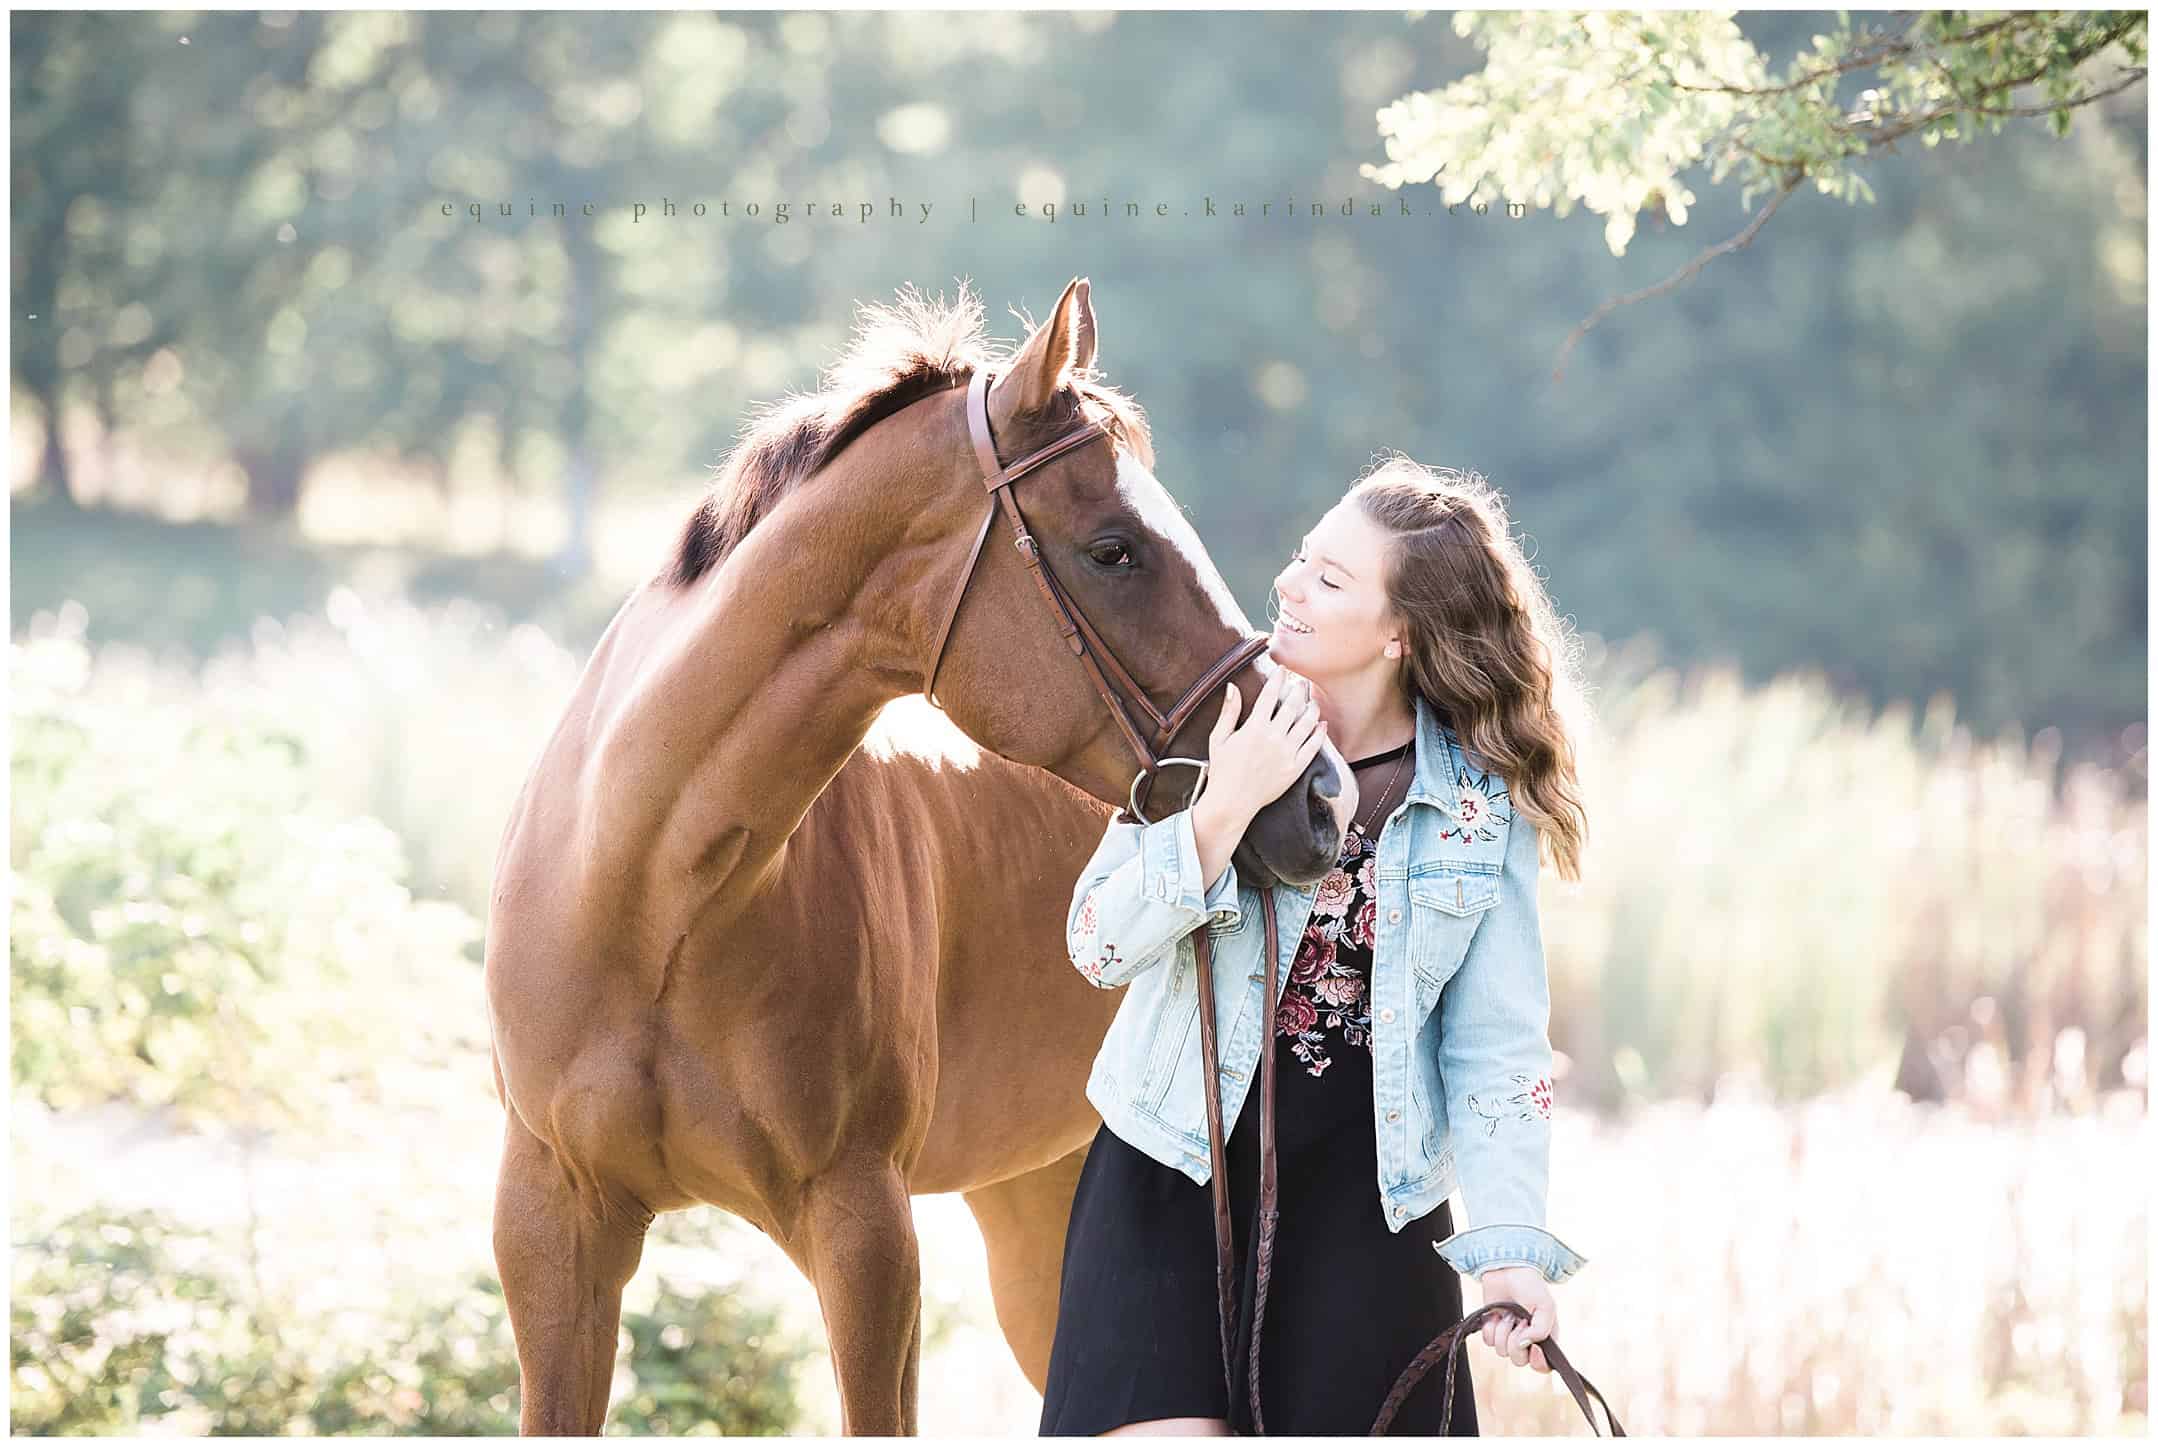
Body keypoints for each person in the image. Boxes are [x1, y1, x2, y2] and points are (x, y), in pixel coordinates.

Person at [1038, 456, 1593, 1436]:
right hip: (1170, 1177)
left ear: (1398, 634)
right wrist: (1223, 806)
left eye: (1330, 578)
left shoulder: (1475, 807)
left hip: (1367, 1216)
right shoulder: (1205, 718)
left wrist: (1509, 1252)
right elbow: (1095, 939)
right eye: (1303, 557)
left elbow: (1495, 1051)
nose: (1288, 584)